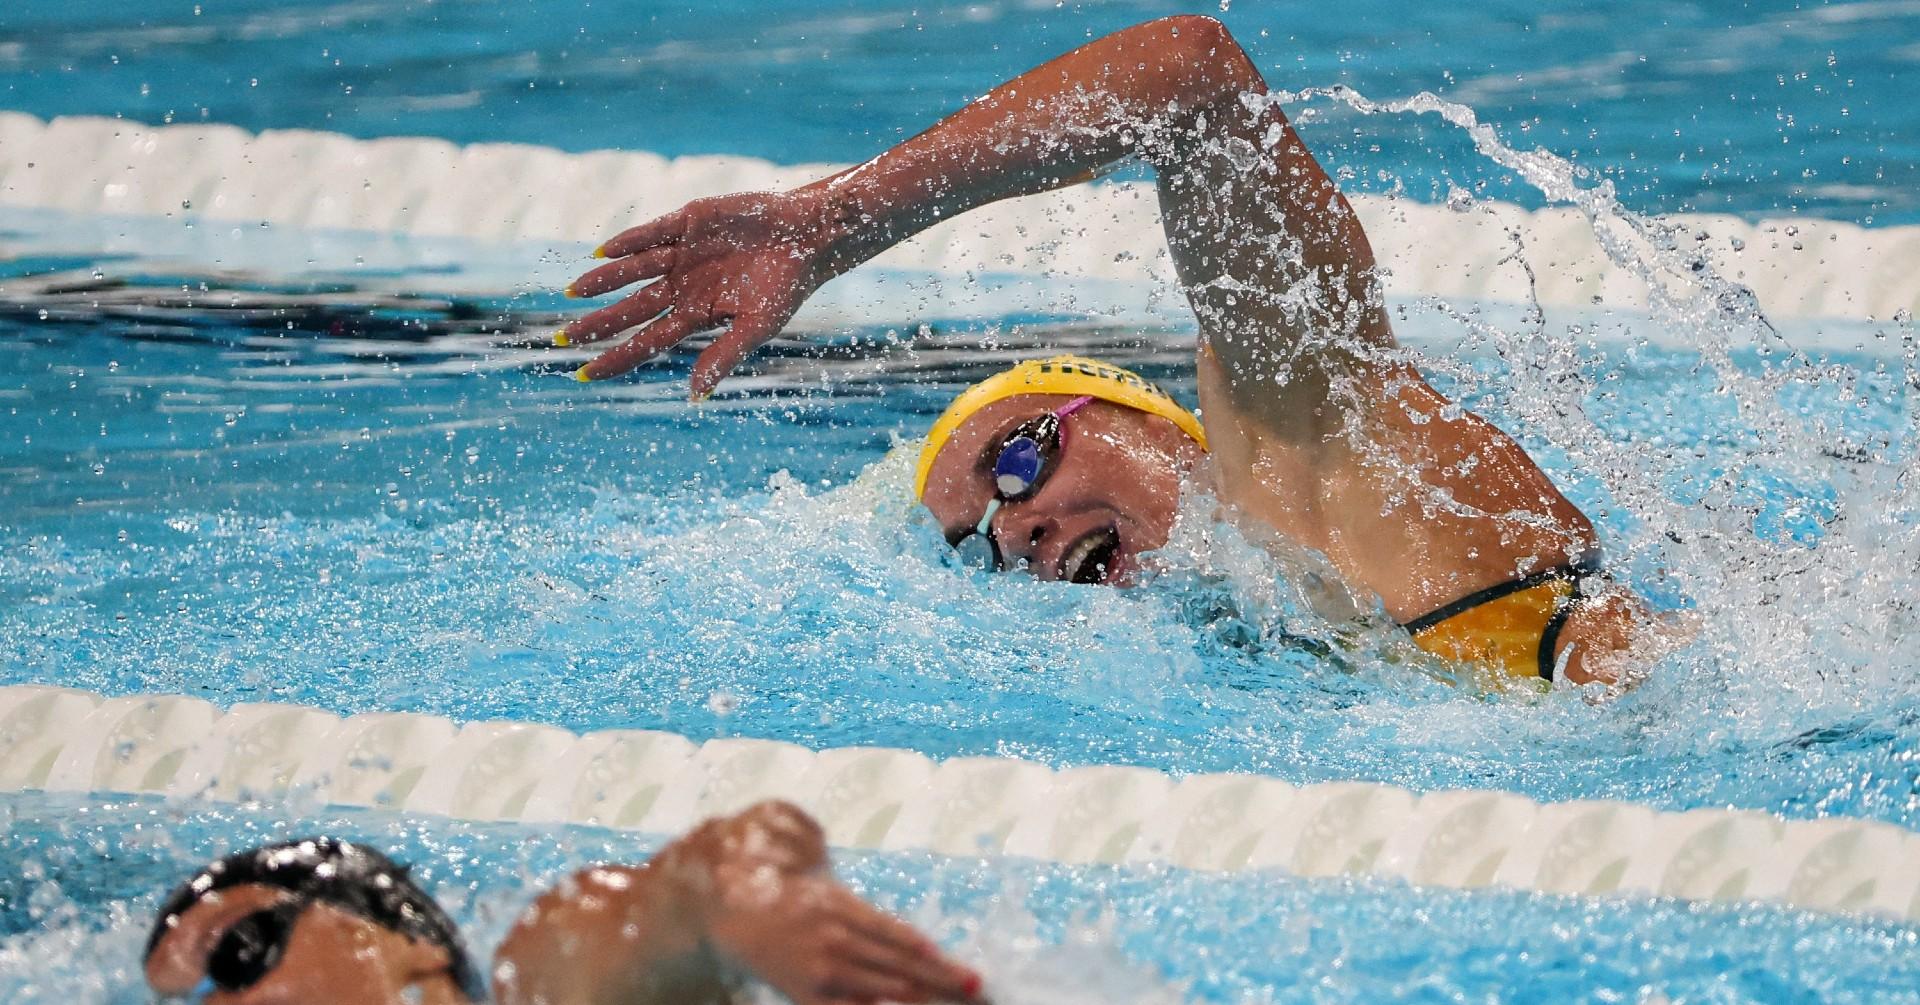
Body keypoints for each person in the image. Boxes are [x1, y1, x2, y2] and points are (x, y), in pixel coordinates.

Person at [553, 16, 1658, 688]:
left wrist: (835, 222)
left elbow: (1192, 75)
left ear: (1130, 416)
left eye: (1018, 461)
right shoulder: (1256, 624)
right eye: (982, 546)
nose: (1019, 527)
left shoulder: (1309, 447)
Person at [143, 801, 985, 1005]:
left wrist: (749, 899)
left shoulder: (542, 975)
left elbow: (701, 875)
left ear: (407, 944)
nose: (226, 1000)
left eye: (239, 952)